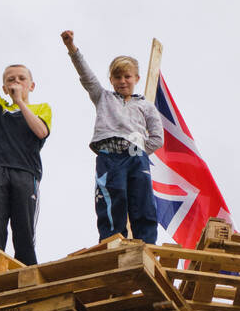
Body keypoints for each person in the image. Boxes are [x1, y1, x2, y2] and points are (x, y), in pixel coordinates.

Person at [60, 31, 163, 243]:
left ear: (136, 78)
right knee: (111, 199)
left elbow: (157, 138)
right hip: (109, 156)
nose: (122, 81)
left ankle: (146, 245)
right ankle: (111, 242)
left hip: (136, 157)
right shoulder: (103, 97)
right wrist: (72, 48)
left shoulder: (145, 106)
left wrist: (139, 149)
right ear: (111, 79)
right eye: (117, 77)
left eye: (127, 76)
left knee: (142, 201)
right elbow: (86, 76)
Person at [0, 8, 51, 265]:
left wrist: (20, 103)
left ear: (31, 85)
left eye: (21, 78)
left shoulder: (41, 109)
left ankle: (28, 281)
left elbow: (40, 132)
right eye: (10, 80)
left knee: (24, 234)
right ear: (4, 86)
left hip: (25, 174)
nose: (16, 82)